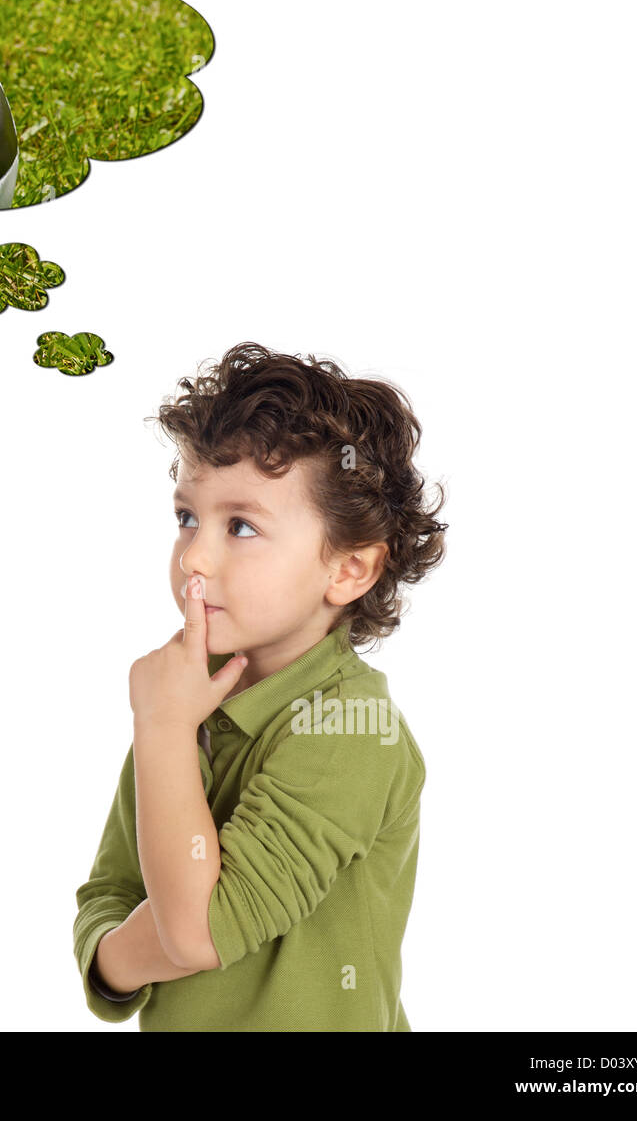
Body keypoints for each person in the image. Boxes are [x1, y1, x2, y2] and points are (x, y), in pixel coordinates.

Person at [72, 342, 447, 1030]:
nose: (195, 558)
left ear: (350, 571)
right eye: (188, 517)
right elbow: (108, 902)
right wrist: (127, 954)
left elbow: (197, 933)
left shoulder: (353, 730)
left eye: (241, 526)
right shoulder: (186, 706)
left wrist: (160, 730)